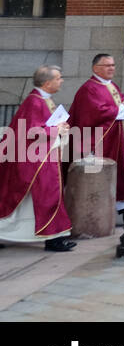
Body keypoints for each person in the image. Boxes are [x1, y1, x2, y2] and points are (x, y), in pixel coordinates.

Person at [0, 66, 75, 251]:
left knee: (47, 198)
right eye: (59, 78)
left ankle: (54, 238)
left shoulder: (44, 100)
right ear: (47, 83)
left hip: (45, 158)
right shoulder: (34, 102)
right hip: (35, 161)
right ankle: (52, 239)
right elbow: (32, 132)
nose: (62, 81)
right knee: (39, 199)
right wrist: (57, 130)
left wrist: (60, 127)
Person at [68, 53, 124, 217]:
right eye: (107, 65)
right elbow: (94, 112)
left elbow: (119, 101)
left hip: (116, 139)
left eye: (113, 65)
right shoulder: (89, 88)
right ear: (96, 68)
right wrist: (123, 109)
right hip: (98, 141)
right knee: (98, 175)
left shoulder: (111, 85)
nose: (112, 68)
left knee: (121, 172)